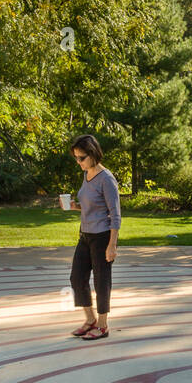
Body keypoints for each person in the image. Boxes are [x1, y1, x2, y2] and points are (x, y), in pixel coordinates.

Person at [65, 135, 121, 340]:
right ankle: (90, 320)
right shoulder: (87, 173)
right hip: (85, 235)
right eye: (76, 158)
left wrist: (112, 245)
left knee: (101, 281)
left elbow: (115, 215)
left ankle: (103, 324)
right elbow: (92, 205)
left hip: (102, 237)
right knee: (77, 277)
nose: (78, 162)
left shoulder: (106, 179)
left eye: (81, 158)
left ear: (93, 154)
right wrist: (75, 206)